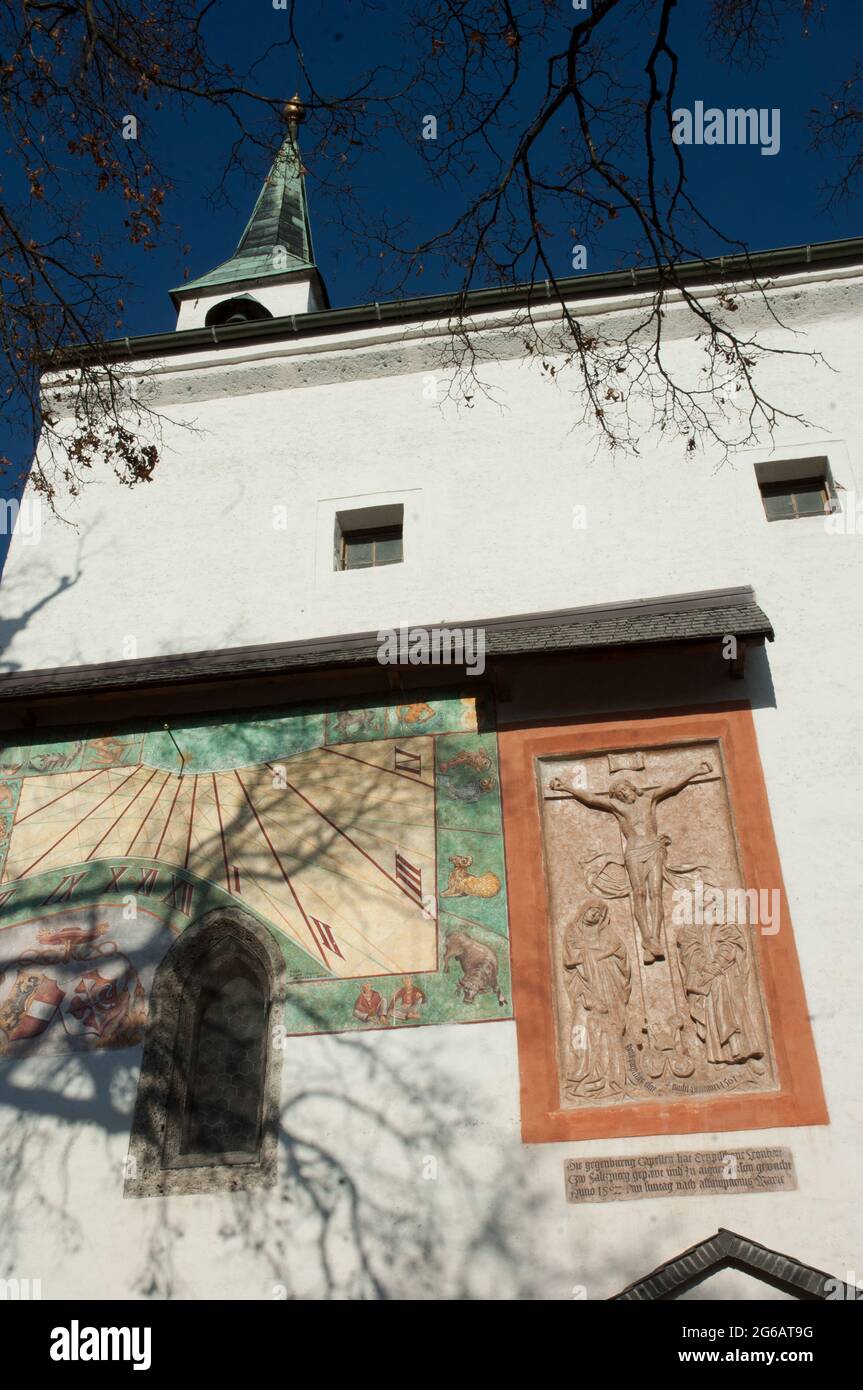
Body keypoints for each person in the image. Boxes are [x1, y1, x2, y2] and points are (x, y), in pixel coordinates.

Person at [550, 762, 711, 963]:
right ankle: (646, 938)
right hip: (634, 852)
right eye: (618, 793)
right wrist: (566, 787)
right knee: (639, 894)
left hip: (654, 848)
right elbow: (592, 798)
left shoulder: (649, 799)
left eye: (624, 789)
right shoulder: (619, 807)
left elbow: (671, 785)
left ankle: (655, 938)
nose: (623, 794)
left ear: (632, 787)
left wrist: (695, 770)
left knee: (656, 894)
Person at [562, 900, 631, 1098]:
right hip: (582, 989)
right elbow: (569, 960)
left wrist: (593, 953)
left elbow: (620, 951)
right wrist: (592, 954)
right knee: (580, 1027)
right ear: (584, 911)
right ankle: (582, 1071)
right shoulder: (573, 932)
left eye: (599, 914)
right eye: (592, 911)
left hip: (608, 988)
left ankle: (611, 1077)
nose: (595, 915)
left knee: (608, 1029)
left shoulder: (607, 934)